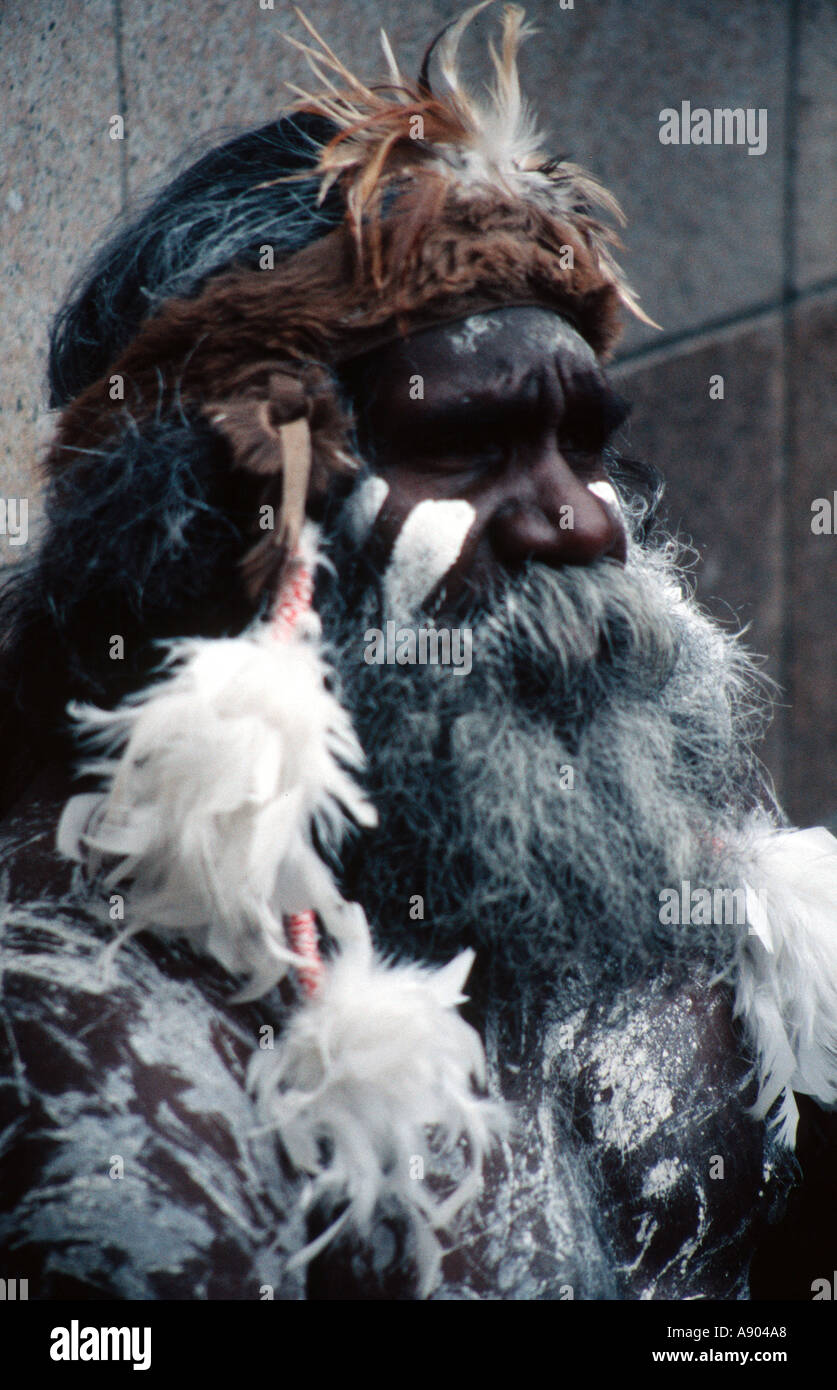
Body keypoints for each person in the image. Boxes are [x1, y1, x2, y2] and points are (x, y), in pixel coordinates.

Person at [1, 4, 835, 1301]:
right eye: (469, 443)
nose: (577, 521)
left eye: (582, 443)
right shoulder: (76, 966)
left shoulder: (628, 756)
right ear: (229, 519)